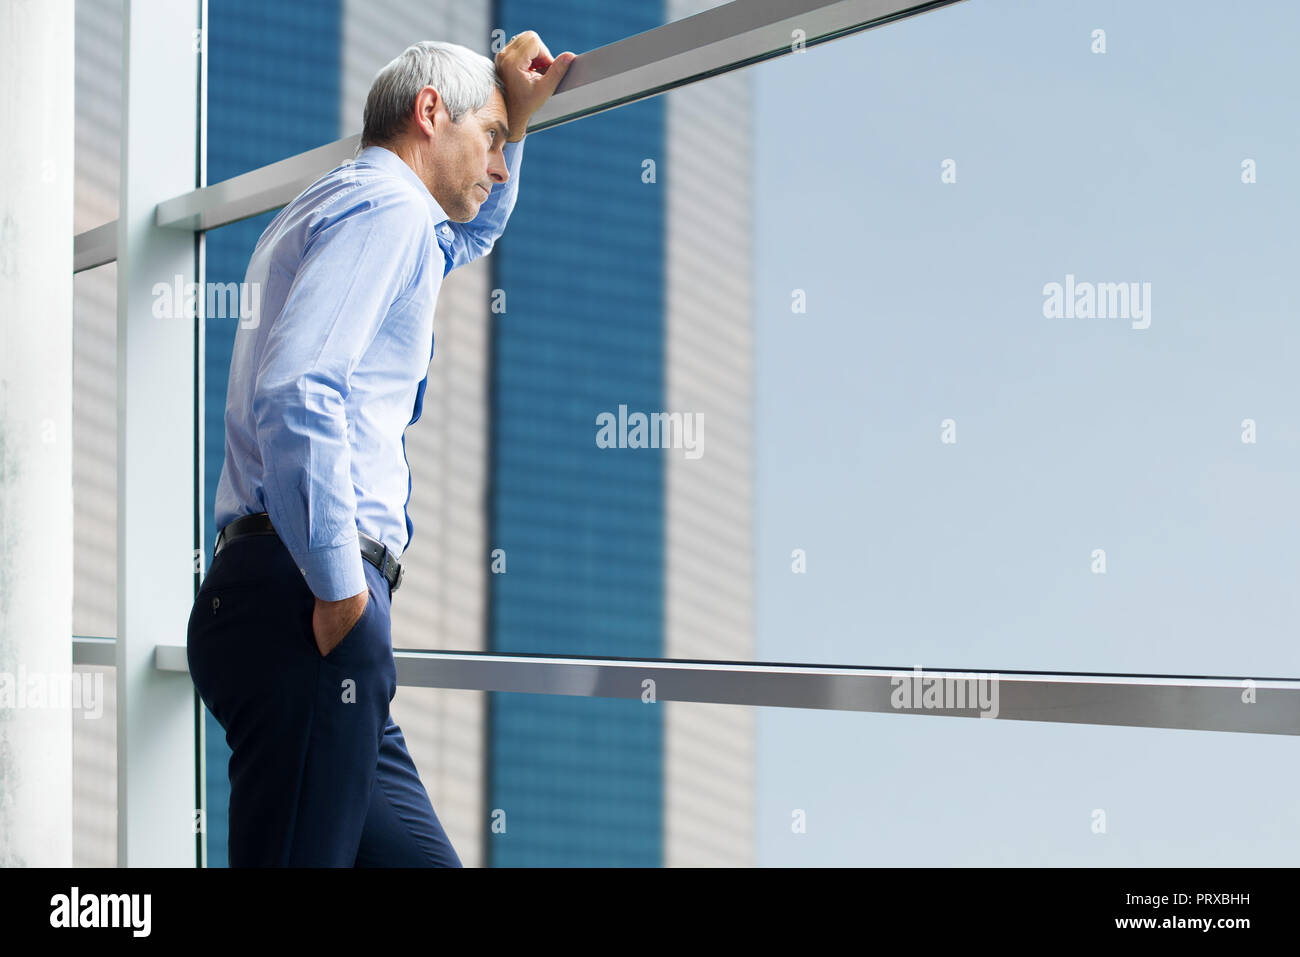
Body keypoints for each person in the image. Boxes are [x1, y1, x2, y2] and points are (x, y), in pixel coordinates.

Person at [186, 33, 574, 867]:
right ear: (430, 113)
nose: (500, 168)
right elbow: (297, 390)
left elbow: (464, 239)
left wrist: (519, 122)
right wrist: (340, 594)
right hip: (311, 601)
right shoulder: (389, 208)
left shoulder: (351, 205)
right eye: (492, 143)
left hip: (287, 602)